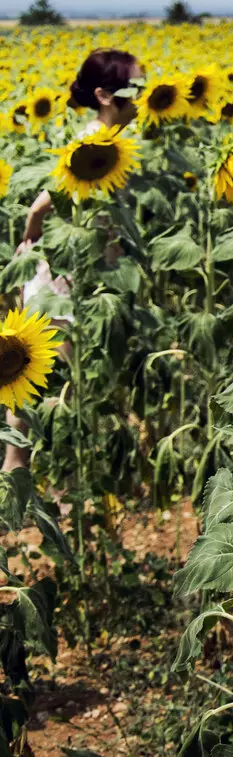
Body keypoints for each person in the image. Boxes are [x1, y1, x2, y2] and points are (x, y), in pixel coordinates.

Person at [3, 47, 141, 474]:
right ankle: (17, 469)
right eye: (133, 88)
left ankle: (47, 471)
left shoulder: (113, 142)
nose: (140, 97)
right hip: (61, 275)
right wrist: (30, 241)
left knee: (62, 375)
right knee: (38, 374)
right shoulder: (91, 142)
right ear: (104, 94)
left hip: (81, 271)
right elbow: (41, 204)